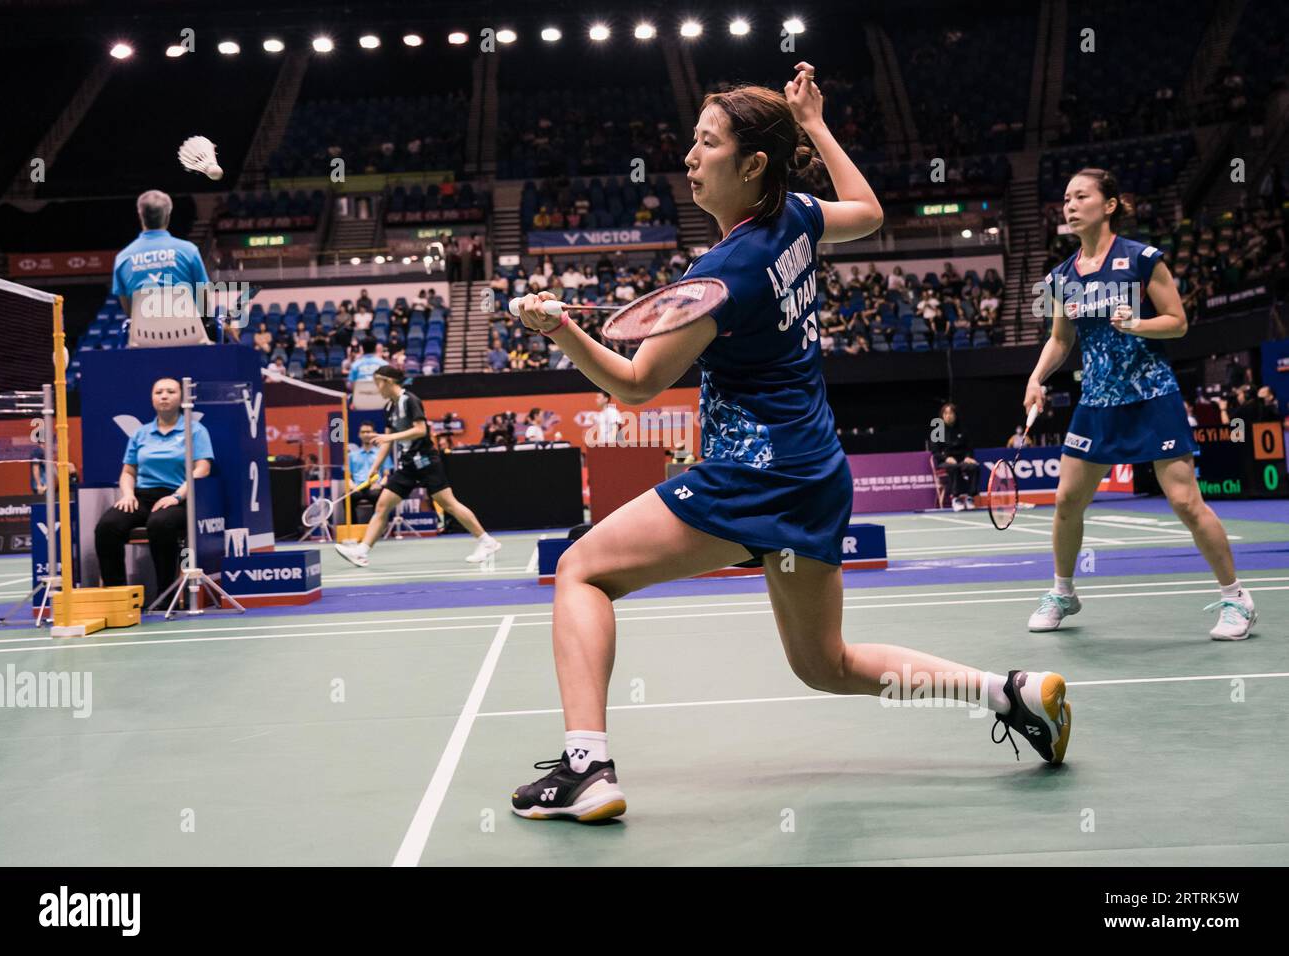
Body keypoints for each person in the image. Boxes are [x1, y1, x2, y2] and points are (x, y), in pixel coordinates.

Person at [506, 64, 1070, 822]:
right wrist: (816, 122)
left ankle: (587, 768)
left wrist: (559, 329)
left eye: (707, 145)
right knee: (824, 665)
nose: (689, 158)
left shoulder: (725, 273)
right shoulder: (797, 216)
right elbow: (868, 211)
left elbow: (635, 386)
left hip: (749, 478)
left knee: (581, 572)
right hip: (814, 474)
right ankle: (1009, 693)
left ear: (751, 165)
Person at [1025, 167, 1256, 640]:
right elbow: (1060, 340)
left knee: (1185, 502)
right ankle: (1063, 592)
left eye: (1081, 196)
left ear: (1109, 205)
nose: (1069, 205)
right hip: (1097, 400)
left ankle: (1237, 599)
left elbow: (1178, 322)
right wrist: (1036, 377)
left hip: (1152, 395)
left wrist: (1137, 326)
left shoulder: (1142, 259)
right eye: (1065, 198)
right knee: (1067, 501)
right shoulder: (1060, 277)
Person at [334, 367, 500, 567]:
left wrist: (391, 437)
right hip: (408, 464)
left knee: (448, 503)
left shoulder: (410, 400)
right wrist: (375, 467)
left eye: (378, 383)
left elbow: (421, 430)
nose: (377, 388)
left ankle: (486, 541)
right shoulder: (389, 407)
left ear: (388, 381)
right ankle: (361, 552)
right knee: (383, 505)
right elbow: (385, 442)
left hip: (426, 460)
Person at [94, 377, 213, 602]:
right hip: (142, 496)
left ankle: (165, 596)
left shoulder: (195, 430)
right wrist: (128, 494)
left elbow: (202, 468)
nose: (164, 396)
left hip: (179, 497)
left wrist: (177, 496)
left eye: (170, 391)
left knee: (160, 524)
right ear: (152, 398)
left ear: (182, 398)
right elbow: (128, 472)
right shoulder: (141, 434)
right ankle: (118, 597)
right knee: (107, 527)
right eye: (159, 392)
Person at [113, 191, 213, 346]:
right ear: (168, 215)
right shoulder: (189, 251)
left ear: (141, 216)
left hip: (144, 343)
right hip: (191, 341)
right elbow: (205, 305)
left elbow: (129, 311)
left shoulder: (123, 258)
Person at [929, 402, 980, 510]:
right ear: (942, 415)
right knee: (953, 467)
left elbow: (969, 448)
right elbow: (935, 451)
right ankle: (955, 498)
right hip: (945, 462)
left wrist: (968, 456)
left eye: (951, 413)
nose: (948, 415)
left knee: (974, 467)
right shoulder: (937, 431)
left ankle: (970, 497)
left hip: (962, 460)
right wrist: (946, 458)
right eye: (946, 413)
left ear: (955, 415)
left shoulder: (963, 429)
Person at [347, 421, 391, 523]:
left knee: (377, 496)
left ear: (374, 433)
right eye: (363, 432)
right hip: (358, 488)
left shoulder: (382, 453)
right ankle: (353, 528)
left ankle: (378, 527)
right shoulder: (351, 455)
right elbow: (348, 477)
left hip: (374, 487)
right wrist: (352, 486)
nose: (366, 434)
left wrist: (380, 484)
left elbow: (386, 475)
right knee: (348, 499)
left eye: (369, 432)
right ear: (359, 435)